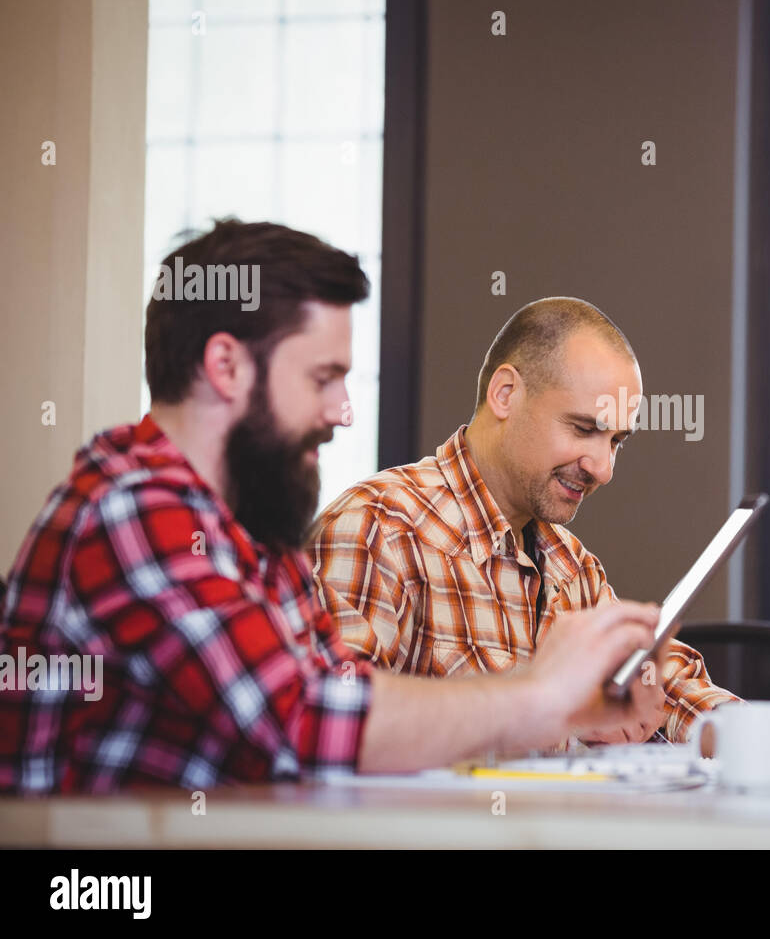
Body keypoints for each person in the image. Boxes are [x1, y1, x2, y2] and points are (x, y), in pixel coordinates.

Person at [0, 221, 662, 793]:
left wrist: (558, 705)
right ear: (226, 367)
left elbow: (343, 688)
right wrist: (541, 695)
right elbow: (304, 724)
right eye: (323, 379)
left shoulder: (252, 529)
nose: (341, 412)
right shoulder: (132, 512)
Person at [311, 297, 770, 759]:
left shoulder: (570, 563)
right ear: (505, 394)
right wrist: (566, 729)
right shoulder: (379, 527)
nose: (603, 468)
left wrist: (768, 739)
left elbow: (665, 687)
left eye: (616, 442)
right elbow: (336, 732)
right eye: (584, 428)